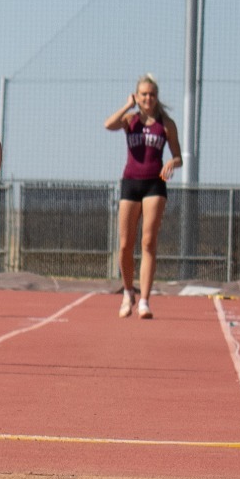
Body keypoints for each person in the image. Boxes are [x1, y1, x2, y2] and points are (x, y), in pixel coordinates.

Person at [102, 75, 182, 319]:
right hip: (130, 183)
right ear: (138, 96)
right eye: (144, 94)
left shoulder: (166, 124)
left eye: (152, 94)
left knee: (148, 242)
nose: (148, 98)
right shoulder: (130, 120)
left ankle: (145, 300)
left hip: (154, 184)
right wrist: (128, 105)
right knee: (125, 244)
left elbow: (179, 156)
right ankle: (128, 292)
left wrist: (172, 162)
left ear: (157, 97)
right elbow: (108, 124)